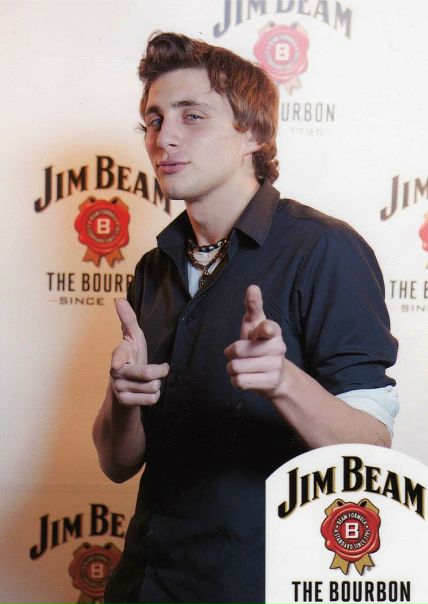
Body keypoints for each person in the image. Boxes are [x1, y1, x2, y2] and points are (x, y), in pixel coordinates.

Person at [93, 32, 398, 604]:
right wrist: (122, 398)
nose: (164, 137)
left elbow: (372, 452)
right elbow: (117, 464)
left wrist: (283, 381)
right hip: (143, 585)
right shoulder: (154, 267)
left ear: (253, 134)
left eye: (192, 116)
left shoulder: (324, 249)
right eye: (154, 120)